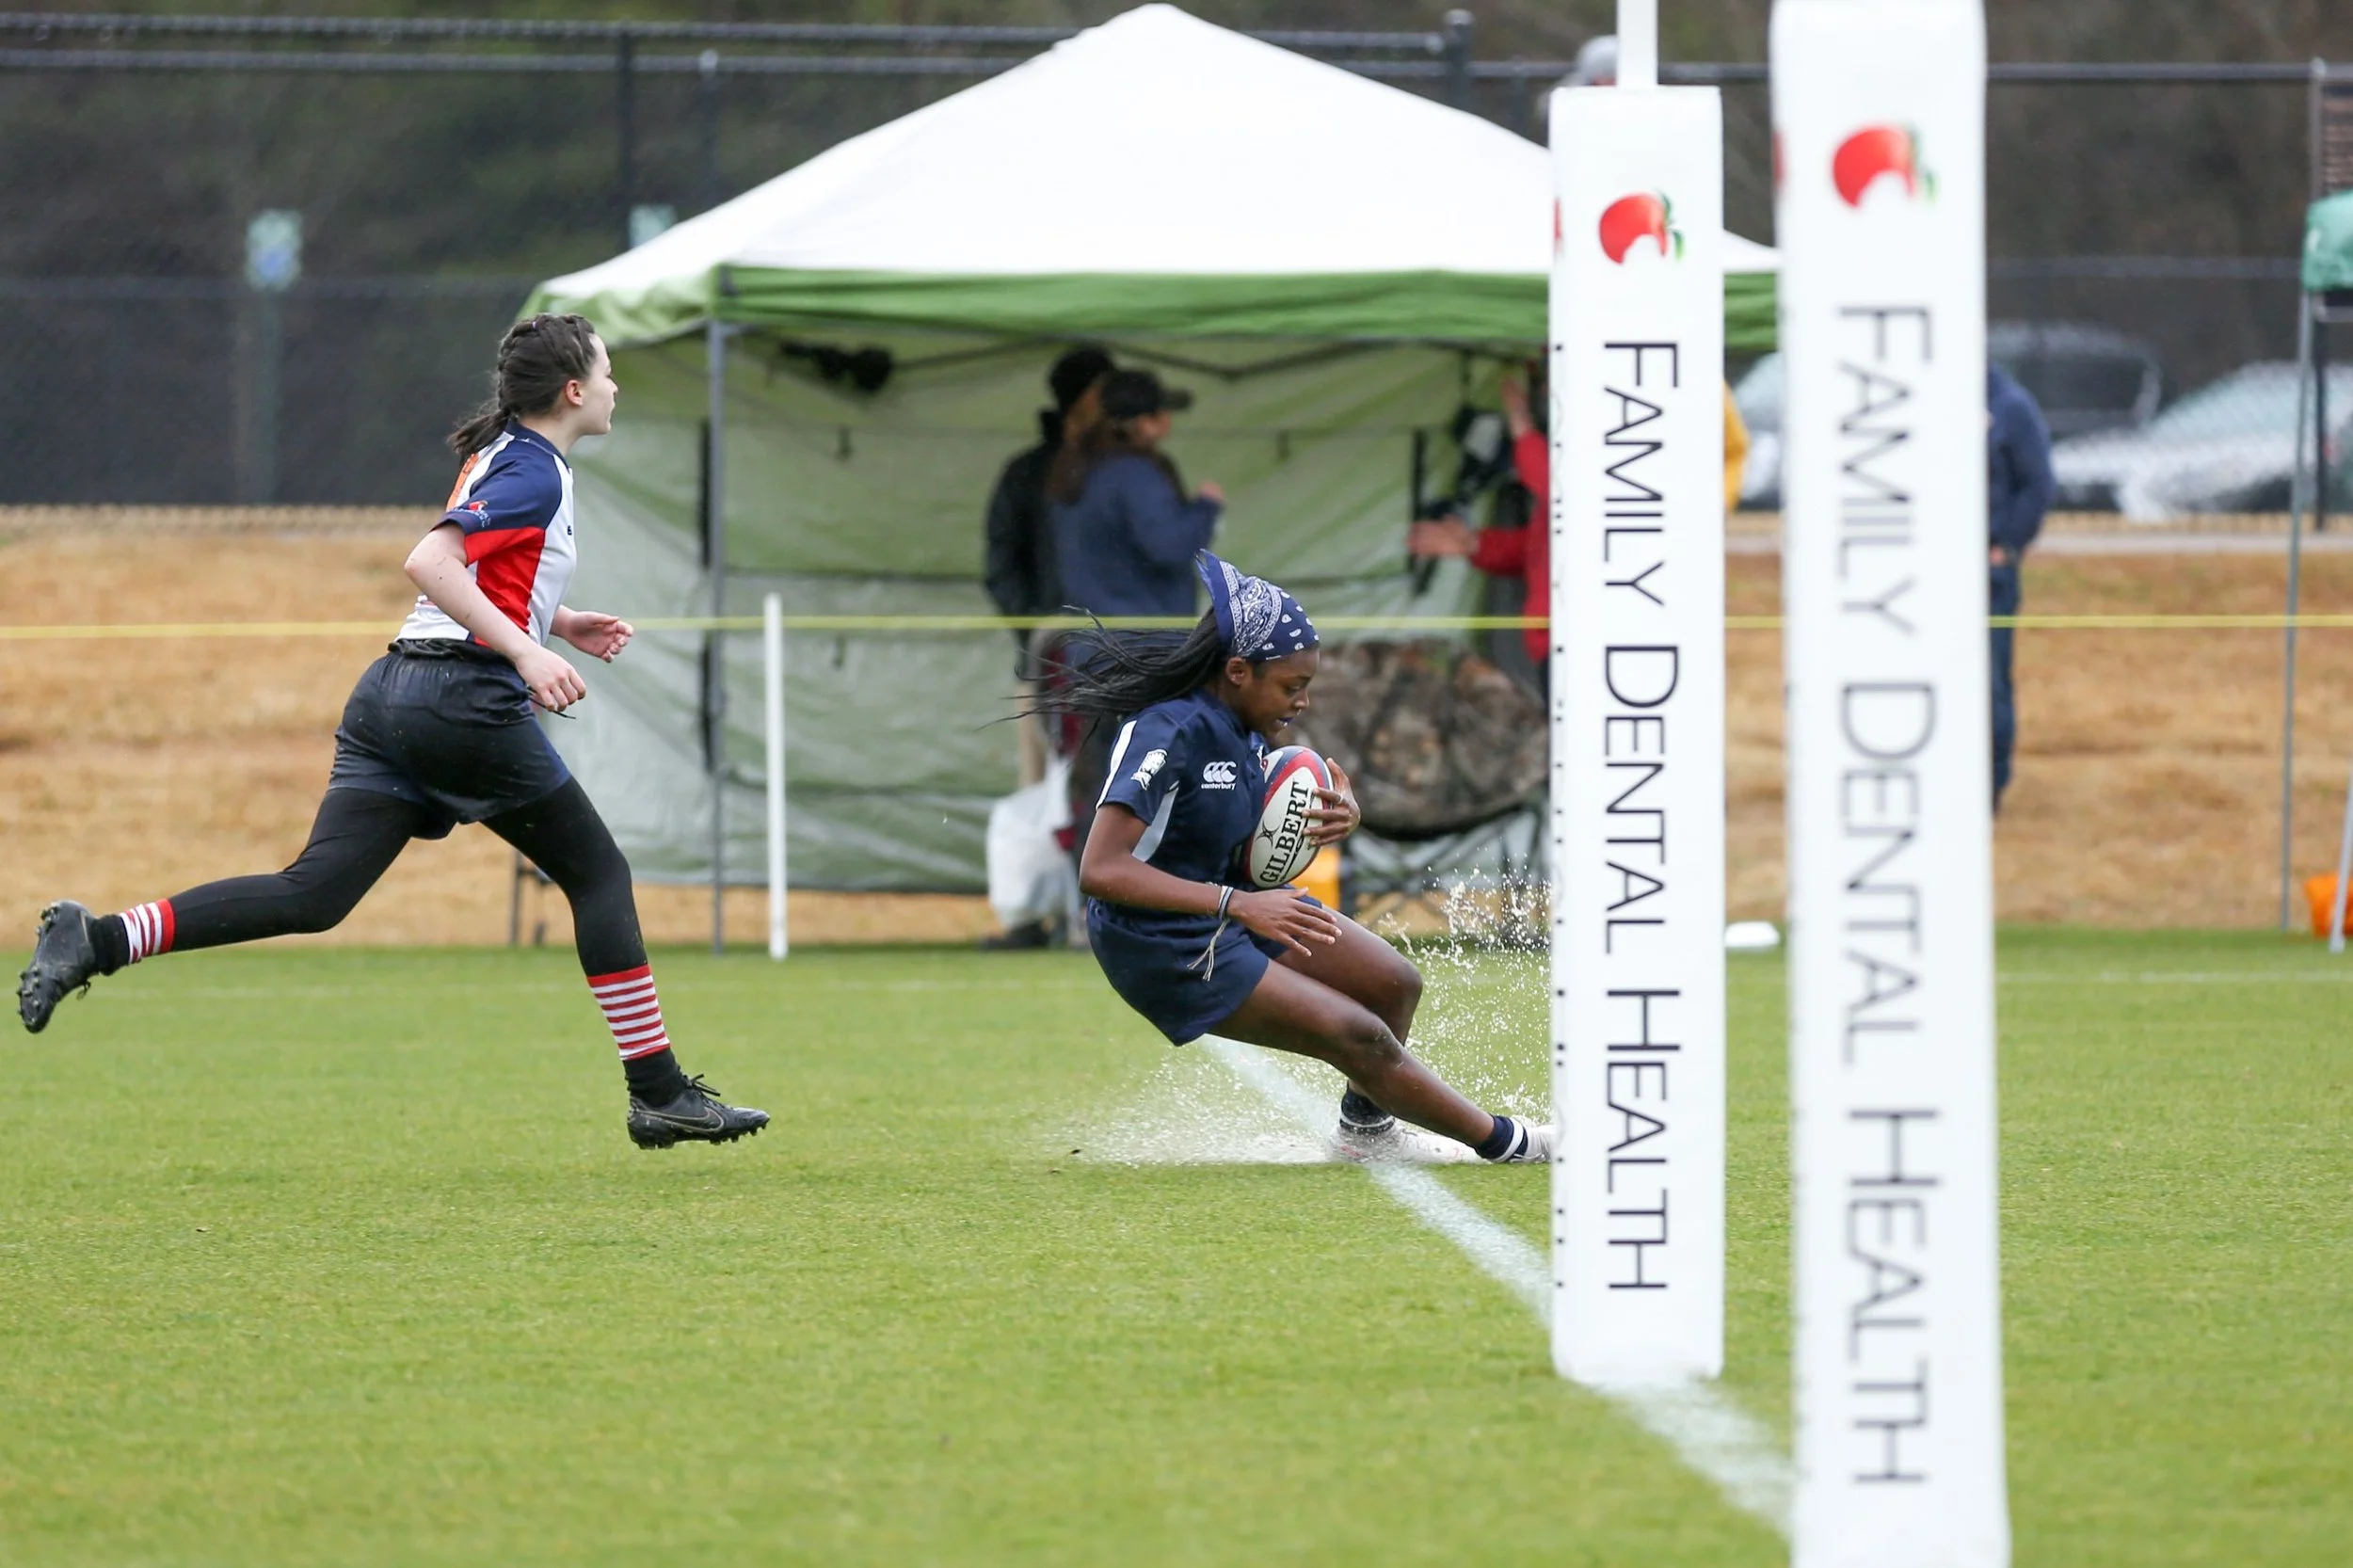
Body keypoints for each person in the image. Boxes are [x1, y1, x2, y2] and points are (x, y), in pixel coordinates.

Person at [14, 313, 768, 1150]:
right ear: (575, 391)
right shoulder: (535, 473)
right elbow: (431, 563)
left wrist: (561, 620)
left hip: (392, 697)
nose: (618, 386)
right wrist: (526, 652)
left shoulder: (506, 456)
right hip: (461, 704)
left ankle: (98, 939)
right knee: (598, 874)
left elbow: (486, 576)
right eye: (609, 372)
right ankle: (659, 1093)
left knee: (313, 895)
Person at [1046, 550, 1555, 1165]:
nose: (1303, 703)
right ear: (1238, 671)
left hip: (1236, 907)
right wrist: (1239, 904)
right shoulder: (1166, 731)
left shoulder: (1246, 729)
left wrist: (1341, 815)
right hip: (1161, 941)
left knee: (1394, 985)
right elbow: (1101, 871)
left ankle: (1365, 1136)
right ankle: (1512, 1144)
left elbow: (1251, 821)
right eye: (1294, 686)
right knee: (1356, 1035)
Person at [1047, 367, 1225, 874]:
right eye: (1162, 411)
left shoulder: (1076, 473)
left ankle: (1089, 899)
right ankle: (1158, 891)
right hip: (1143, 652)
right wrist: (1205, 509)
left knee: (1100, 777)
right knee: (1155, 773)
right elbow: (1167, 546)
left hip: (1088, 649)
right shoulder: (1136, 474)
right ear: (1146, 422)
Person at [980, 345, 1113, 951]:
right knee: (1042, 790)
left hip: (1119, 665)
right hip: (1044, 666)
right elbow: (1000, 564)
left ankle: (1101, 912)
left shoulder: (1122, 469)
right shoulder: (1027, 473)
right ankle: (1036, 916)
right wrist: (1038, 637)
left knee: (1113, 784)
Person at [1988, 363, 2056, 810]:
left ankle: (1989, 784)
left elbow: (2037, 484)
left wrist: (2005, 545)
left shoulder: (2010, 408)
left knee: (1989, 681)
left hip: (1988, 576)